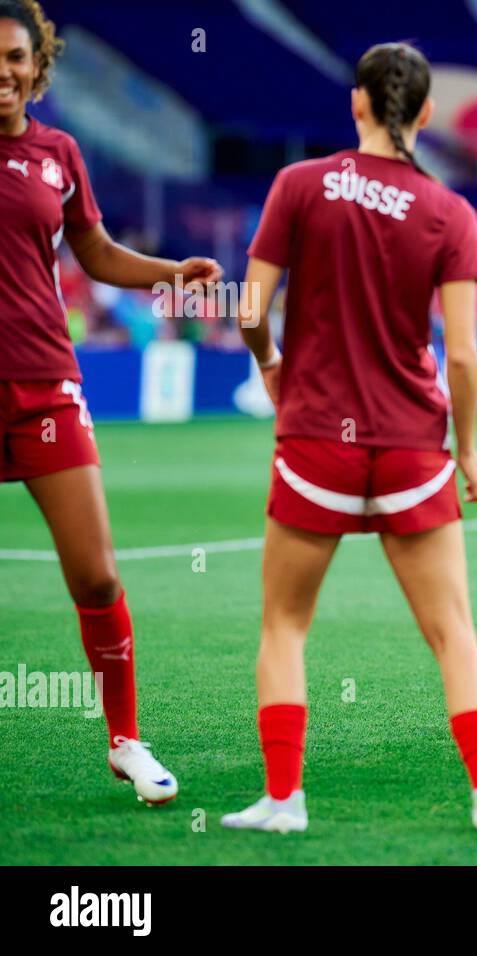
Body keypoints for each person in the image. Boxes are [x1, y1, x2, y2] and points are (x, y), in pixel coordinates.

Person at [222, 42, 477, 834]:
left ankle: (283, 802)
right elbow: (467, 356)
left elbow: (248, 309)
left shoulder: (298, 186)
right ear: (428, 114)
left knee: (284, 625)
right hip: (412, 445)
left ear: (359, 105)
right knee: (453, 634)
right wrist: (468, 448)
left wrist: (271, 364)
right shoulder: (450, 211)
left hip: (315, 439)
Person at [0, 0, 221, 803]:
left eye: (17, 58)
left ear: (38, 66)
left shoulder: (59, 153)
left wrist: (169, 272)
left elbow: (93, 252)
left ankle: (124, 740)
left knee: (95, 578)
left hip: (44, 388)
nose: (3, 71)